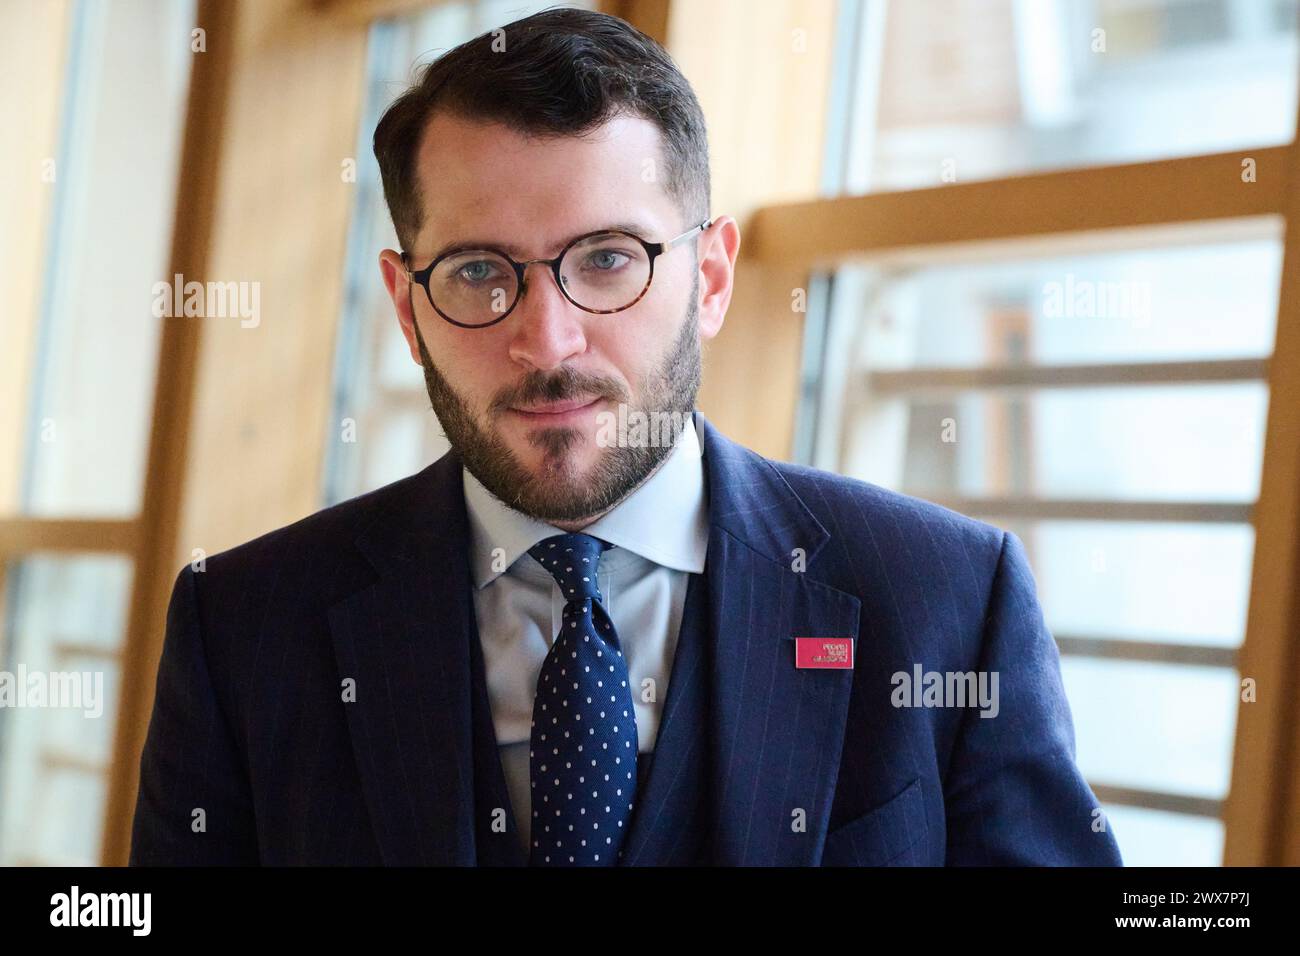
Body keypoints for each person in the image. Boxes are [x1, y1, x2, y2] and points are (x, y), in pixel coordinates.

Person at [130, 6, 1121, 866]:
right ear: (404, 303)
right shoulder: (244, 629)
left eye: (608, 259)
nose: (547, 341)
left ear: (715, 276)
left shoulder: (945, 597)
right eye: (479, 271)